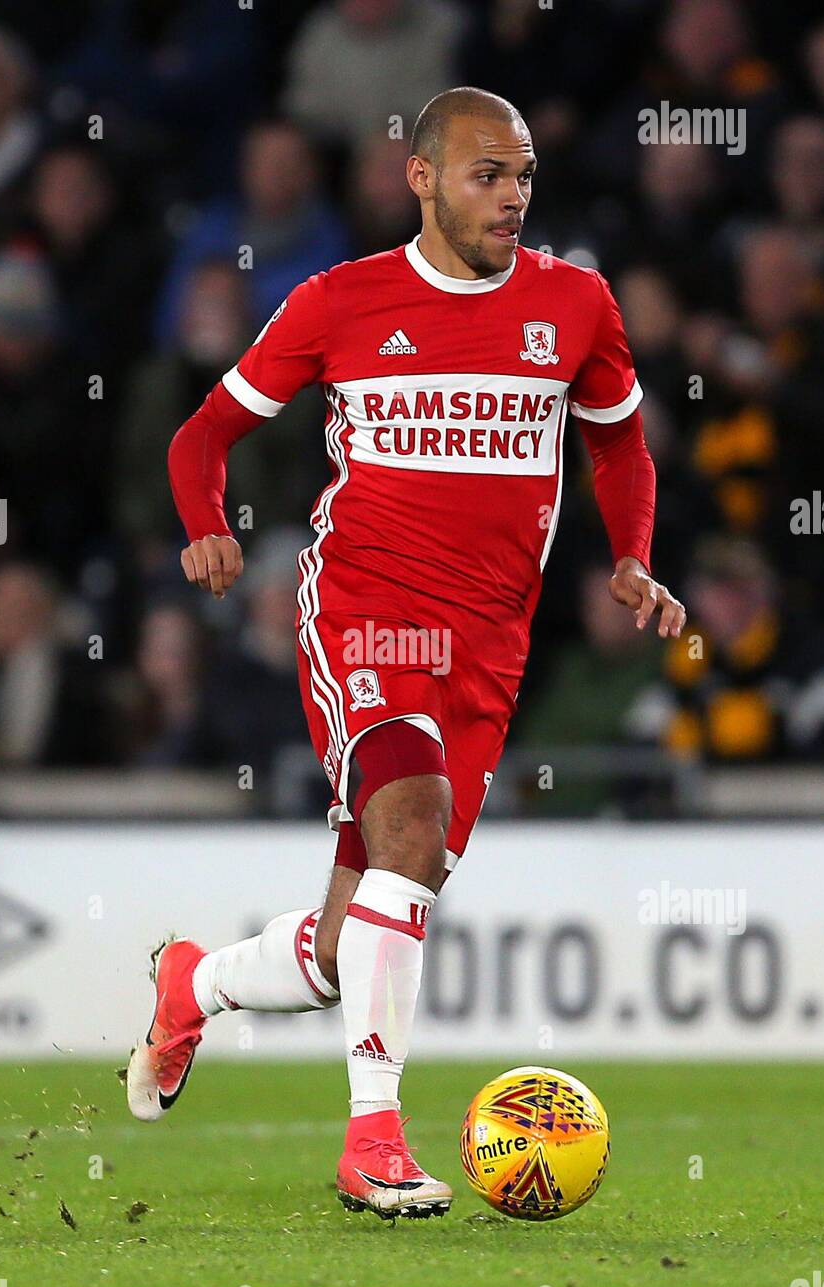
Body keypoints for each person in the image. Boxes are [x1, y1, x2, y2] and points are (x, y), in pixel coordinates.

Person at [127, 88, 686, 1219]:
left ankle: (198, 981)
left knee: (358, 934)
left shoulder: (574, 304)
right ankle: (372, 1140)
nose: (514, 196)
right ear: (421, 178)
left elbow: (621, 443)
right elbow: (204, 436)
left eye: (525, 174)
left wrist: (632, 555)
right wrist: (205, 526)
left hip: (491, 639)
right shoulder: (341, 301)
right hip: (367, 606)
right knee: (414, 823)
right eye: (488, 174)